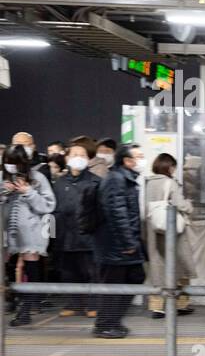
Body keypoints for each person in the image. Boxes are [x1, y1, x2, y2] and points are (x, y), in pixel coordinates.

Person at [93, 144, 147, 339]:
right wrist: (128, 243)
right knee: (113, 285)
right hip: (115, 245)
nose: (142, 159)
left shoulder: (126, 179)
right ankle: (105, 324)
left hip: (123, 243)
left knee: (135, 277)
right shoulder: (116, 180)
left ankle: (113, 320)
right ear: (127, 161)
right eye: (139, 156)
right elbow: (117, 214)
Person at [1, 145, 56, 327]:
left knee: (29, 270)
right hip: (8, 235)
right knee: (10, 271)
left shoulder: (37, 178)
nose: (10, 166)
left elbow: (48, 206)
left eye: (13, 162)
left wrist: (28, 192)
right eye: (7, 162)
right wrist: (5, 193)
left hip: (32, 235)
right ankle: (16, 303)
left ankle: (26, 310)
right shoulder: (2, 178)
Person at [51, 142, 100, 317]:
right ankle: (74, 303)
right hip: (65, 236)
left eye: (83, 155)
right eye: (74, 154)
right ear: (66, 158)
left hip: (88, 236)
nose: (78, 158)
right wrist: (51, 235)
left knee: (92, 272)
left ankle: (94, 305)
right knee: (69, 272)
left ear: (88, 159)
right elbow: (52, 210)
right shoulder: (58, 182)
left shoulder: (95, 181)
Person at [143, 153, 195, 317]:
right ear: (169, 167)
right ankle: (180, 305)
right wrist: (189, 205)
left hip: (153, 228)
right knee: (181, 265)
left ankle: (156, 307)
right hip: (172, 231)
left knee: (157, 268)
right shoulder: (170, 183)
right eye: (173, 166)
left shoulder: (148, 183)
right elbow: (180, 204)